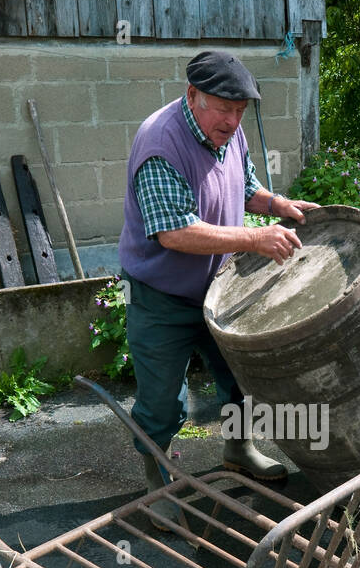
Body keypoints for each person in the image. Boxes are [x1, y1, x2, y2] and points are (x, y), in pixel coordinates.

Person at [117, 49, 319, 526]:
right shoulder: (160, 143)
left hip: (218, 287)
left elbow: (245, 188)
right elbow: (174, 233)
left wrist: (279, 205)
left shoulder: (229, 132)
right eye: (222, 108)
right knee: (163, 400)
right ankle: (156, 479)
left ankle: (239, 448)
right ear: (193, 96)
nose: (231, 120)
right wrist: (255, 237)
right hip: (160, 295)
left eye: (239, 110)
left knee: (241, 378)